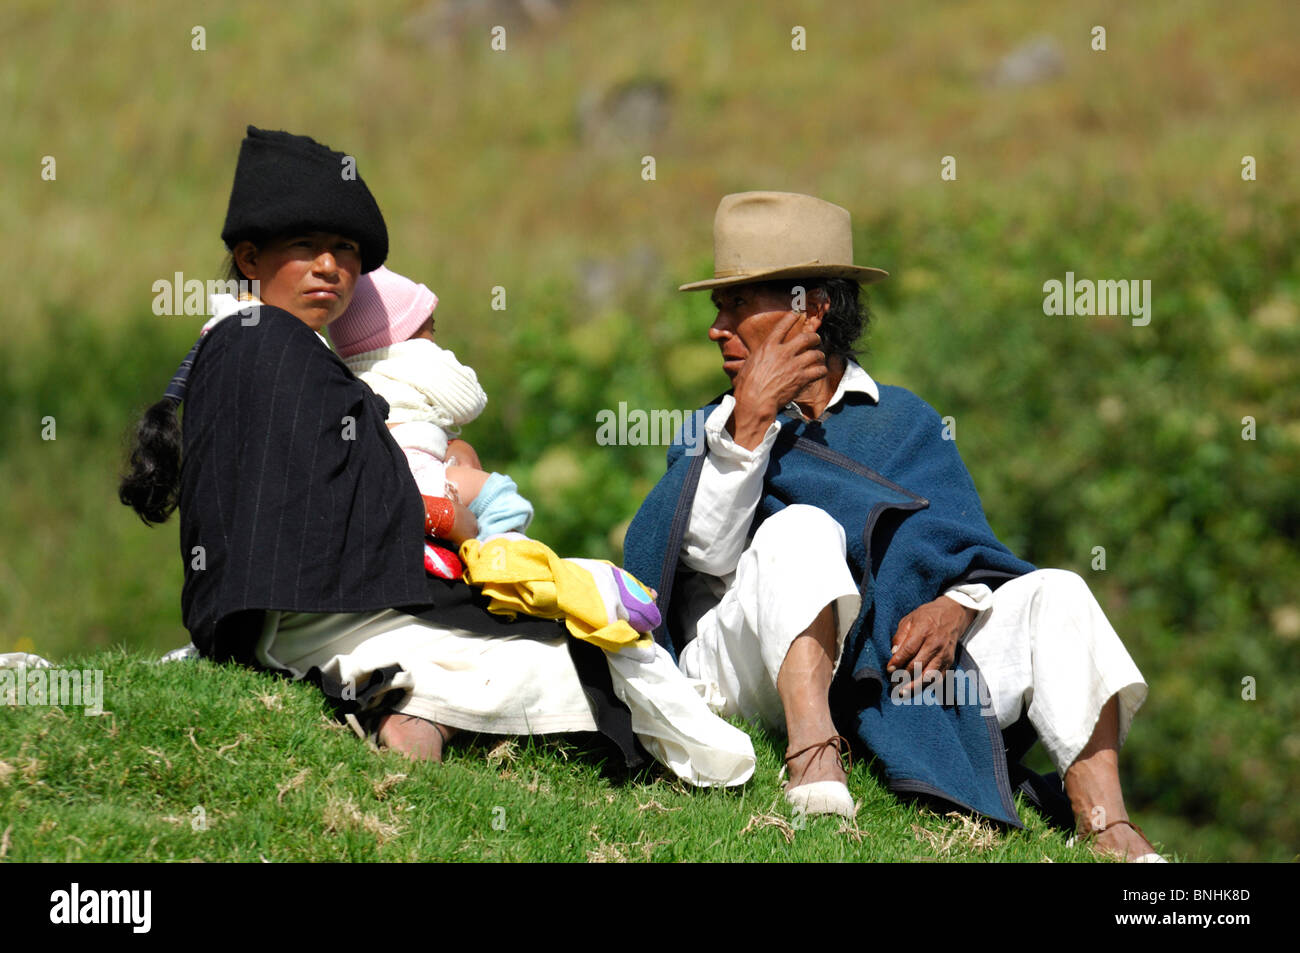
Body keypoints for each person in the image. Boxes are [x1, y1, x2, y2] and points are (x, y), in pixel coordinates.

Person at [119, 126, 754, 789]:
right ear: (250, 258)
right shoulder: (266, 343)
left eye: (346, 251)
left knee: (568, 654)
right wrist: (451, 523)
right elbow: (328, 506)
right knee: (581, 662)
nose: (331, 267)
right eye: (306, 247)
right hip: (317, 618)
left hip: (306, 616)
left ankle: (401, 711)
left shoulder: (262, 348)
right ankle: (405, 713)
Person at [623, 191, 1165, 860]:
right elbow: (702, 553)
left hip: (892, 669)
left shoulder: (904, 419)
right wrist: (752, 422)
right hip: (742, 670)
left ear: (810, 308)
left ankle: (1108, 825)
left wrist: (958, 604)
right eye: (718, 307)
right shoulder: (717, 426)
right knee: (802, 529)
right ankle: (813, 754)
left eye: (738, 303)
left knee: (1058, 593)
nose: (717, 326)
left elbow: (969, 553)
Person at [327, 266, 534, 539]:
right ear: (408, 332)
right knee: (504, 501)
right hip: (421, 473)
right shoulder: (414, 355)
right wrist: (437, 355)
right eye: (430, 328)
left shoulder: (346, 372)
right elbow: (470, 403)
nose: (434, 338)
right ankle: (499, 567)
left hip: (387, 484)